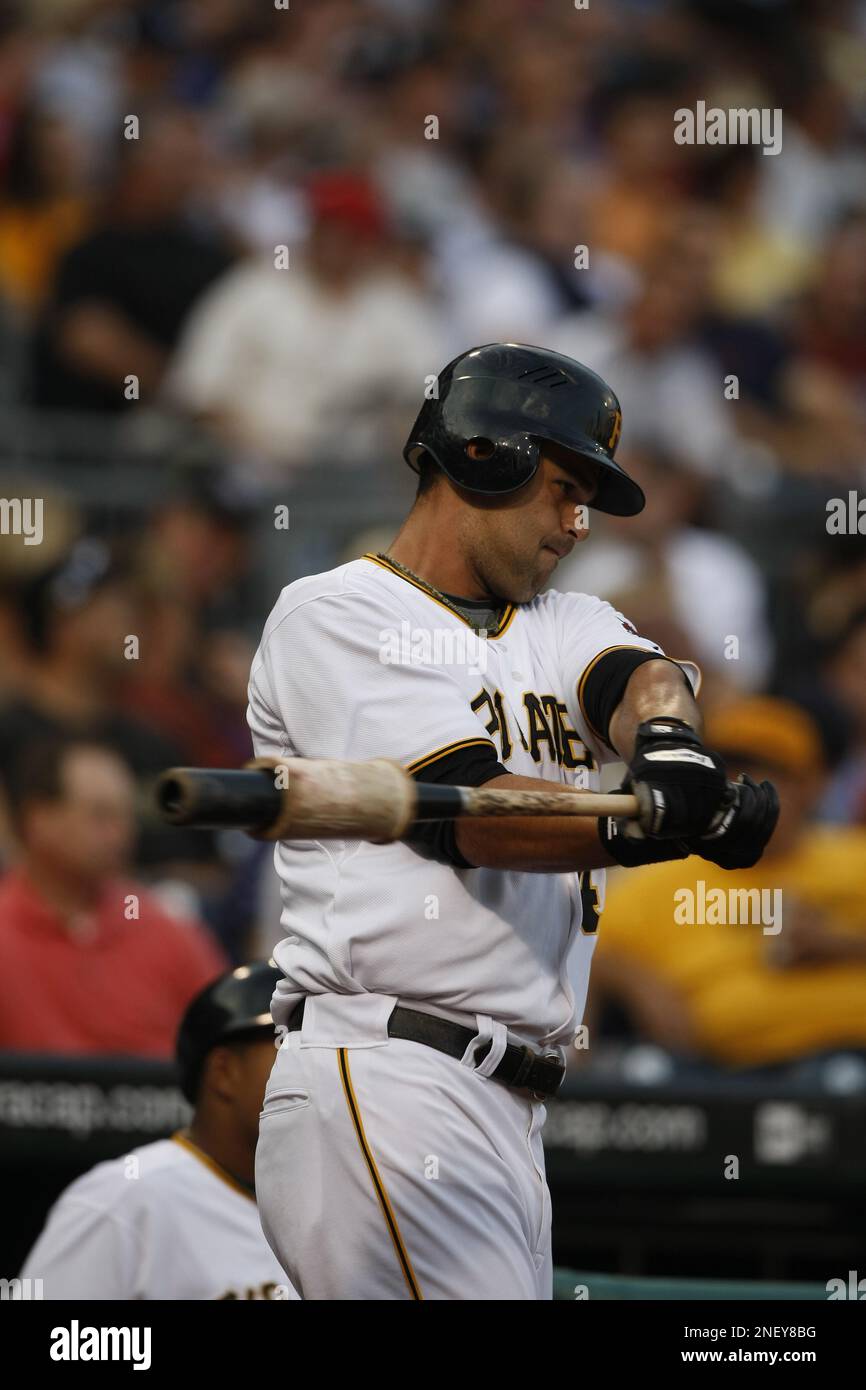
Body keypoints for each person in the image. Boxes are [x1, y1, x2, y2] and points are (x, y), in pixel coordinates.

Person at [247, 342, 779, 1300]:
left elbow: (644, 680)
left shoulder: (560, 619)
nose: (579, 524)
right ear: (485, 453)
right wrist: (648, 826)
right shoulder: (334, 613)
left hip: (505, 1106)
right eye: (565, 487)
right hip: (394, 1069)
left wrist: (672, 750)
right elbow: (475, 818)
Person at [590, 697, 866, 1069]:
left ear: (812, 785)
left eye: (766, 774)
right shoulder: (660, 875)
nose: (739, 789)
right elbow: (587, 951)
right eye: (726, 773)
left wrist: (838, 944)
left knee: (841, 1075)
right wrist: (634, 980)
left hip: (843, 1060)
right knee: (646, 1071)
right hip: (707, 1074)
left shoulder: (854, 859)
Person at [19, 963, 299, 1300]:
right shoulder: (121, 1200)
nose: (311, 1068)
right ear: (224, 1072)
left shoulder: (337, 1197)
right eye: (289, 1046)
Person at [0, 736, 226, 1056]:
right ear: (39, 820)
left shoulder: (159, 928)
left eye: (126, 815)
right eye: (101, 816)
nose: (122, 833)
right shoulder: (6, 933)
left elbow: (228, 1043)